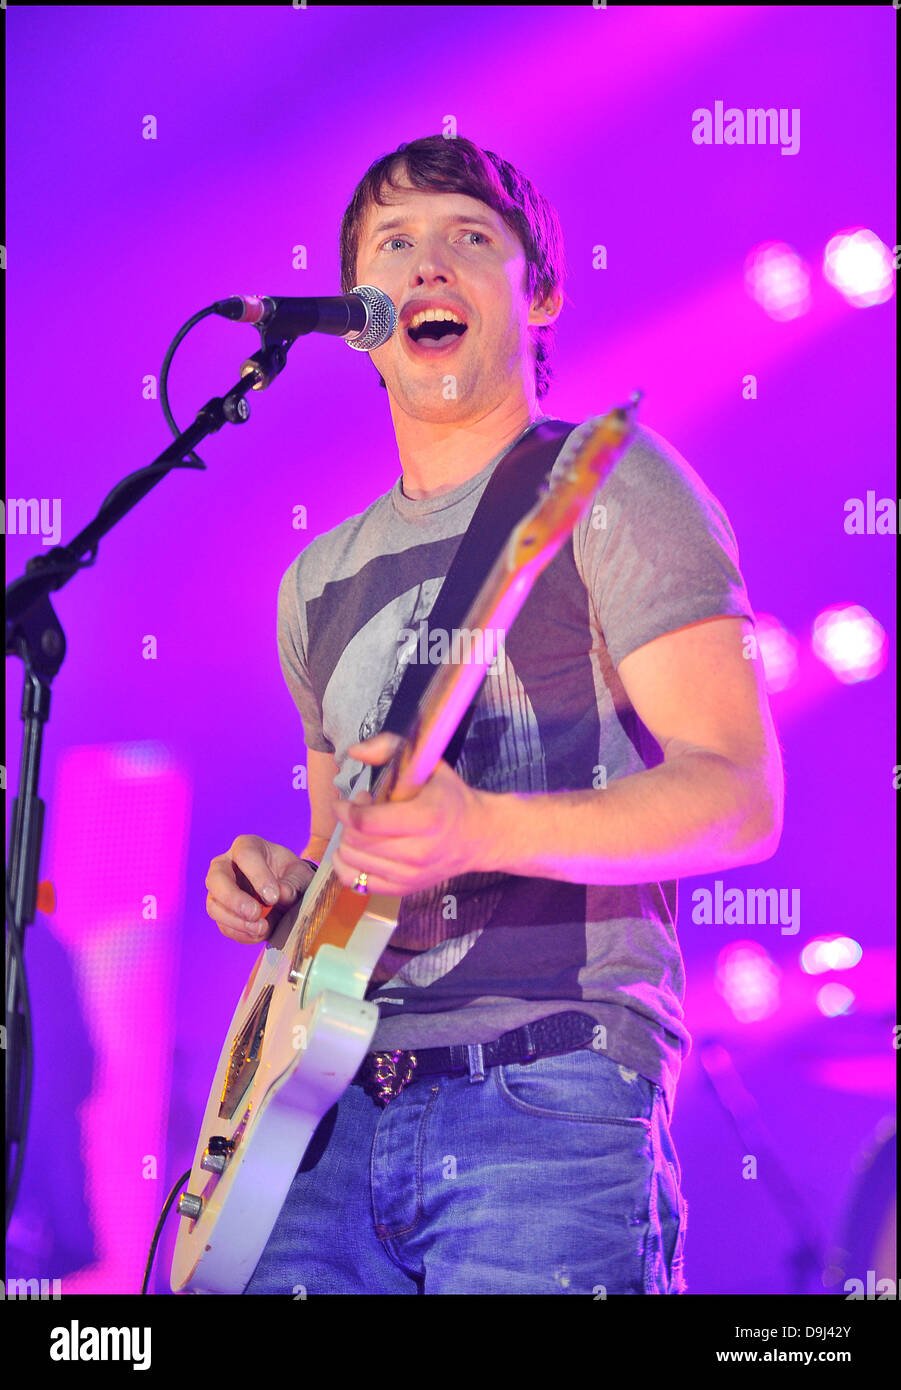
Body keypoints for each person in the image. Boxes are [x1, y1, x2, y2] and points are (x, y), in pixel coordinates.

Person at [204, 134, 784, 1295]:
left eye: (470, 238)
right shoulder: (316, 579)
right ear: (362, 312)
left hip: (546, 1090)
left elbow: (741, 799)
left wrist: (489, 829)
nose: (427, 266)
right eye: (395, 245)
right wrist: (277, 886)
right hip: (315, 1123)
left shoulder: (609, 483)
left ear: (540, 294)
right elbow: (347, 863)